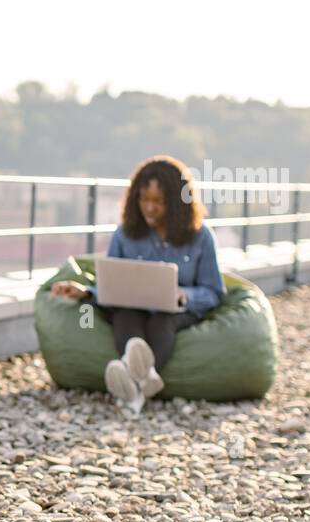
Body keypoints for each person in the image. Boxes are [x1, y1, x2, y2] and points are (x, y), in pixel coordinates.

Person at [50, 155, 225, 414]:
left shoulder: (200, 237)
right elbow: (112, 284)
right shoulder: (125, 234)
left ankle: (130, 381)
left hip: (175, 313)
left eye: (158, 201)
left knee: (162, 319)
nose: (149, 208)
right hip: (130, 310)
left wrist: (182, 295)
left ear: (176, 204)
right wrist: (85, 291)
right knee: (124, 314)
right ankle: (146, 380)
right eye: (144, 200)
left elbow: (213, 292)